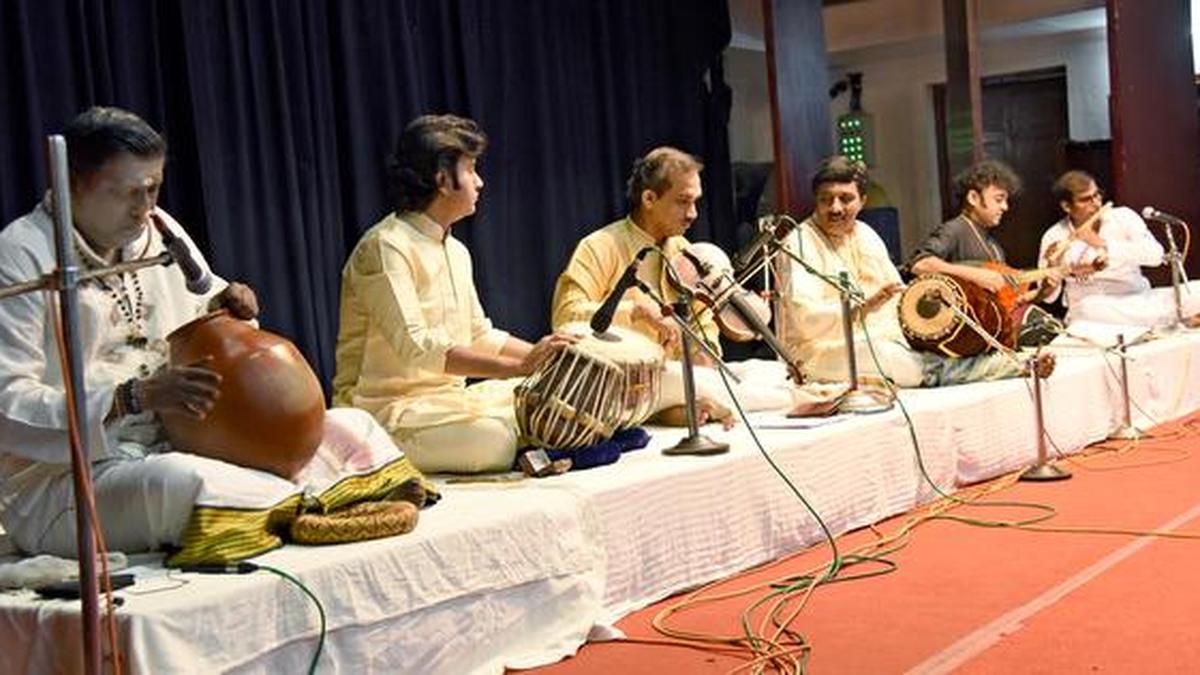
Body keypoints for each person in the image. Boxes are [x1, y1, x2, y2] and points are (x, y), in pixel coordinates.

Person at [0, 107, 427, 560]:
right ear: (73, 185)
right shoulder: (20, 256)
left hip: (177, 439)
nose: (144, 209)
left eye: (153, 188)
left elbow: (208, 299)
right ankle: (306, 502)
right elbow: (7, 401)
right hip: (66, 481)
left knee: (353, 429)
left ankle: (287, 506)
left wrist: (232, 308)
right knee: (187, 482)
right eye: (127, 193)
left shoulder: (159, 231)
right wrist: (130, 398)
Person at [334, 114, 576, 474]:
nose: (480, 182)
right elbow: (416, 346)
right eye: (472, 170)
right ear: (443, 179)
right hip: (383, 414)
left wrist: (553, 360)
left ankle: (535, 441)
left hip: (444, 405)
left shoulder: (456, 250)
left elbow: (479, 334)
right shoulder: (385, 247)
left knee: (557, 402)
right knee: (493, 440)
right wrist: (517, 368)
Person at [775, 156, 1053, 388]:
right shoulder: (799, 242)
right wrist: (863, 306)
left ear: (862, 201)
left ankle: (1009, 363)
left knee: (940, 340)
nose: (835, 208)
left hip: (884, 335)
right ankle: (1011, 367)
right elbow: (804, 319)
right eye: (826, 200)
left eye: (845, 199)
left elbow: (896, 295)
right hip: (819, 352)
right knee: (889, 357)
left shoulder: (866, 234)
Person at [552, 147, 773, 425]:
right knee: (756, 394)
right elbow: (565, 317)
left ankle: (683, 406)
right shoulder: (599, 246)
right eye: (683, 201)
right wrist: (636, 311)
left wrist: (704, 352)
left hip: (678, 377)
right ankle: (798, 400)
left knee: (765, 373)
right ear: (649, 198)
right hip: (623, 382)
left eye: (696, 202)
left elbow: (703, 320)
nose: (693, 213)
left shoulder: (687, 252)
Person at [1038, 170, 1200, 328]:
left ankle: (1158, 322)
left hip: (1139, 298)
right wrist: (1052, 271)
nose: (1096, 203)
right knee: (1089, 308)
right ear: (1067, 206)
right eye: (1086, 199)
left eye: (1097, 195)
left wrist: (1101, 243)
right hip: (1093, 308)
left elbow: (1156, 255)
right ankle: (1166, 322)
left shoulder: (1123, 216)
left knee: (1196, 291)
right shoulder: (1054, 236)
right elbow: (1049, 298)